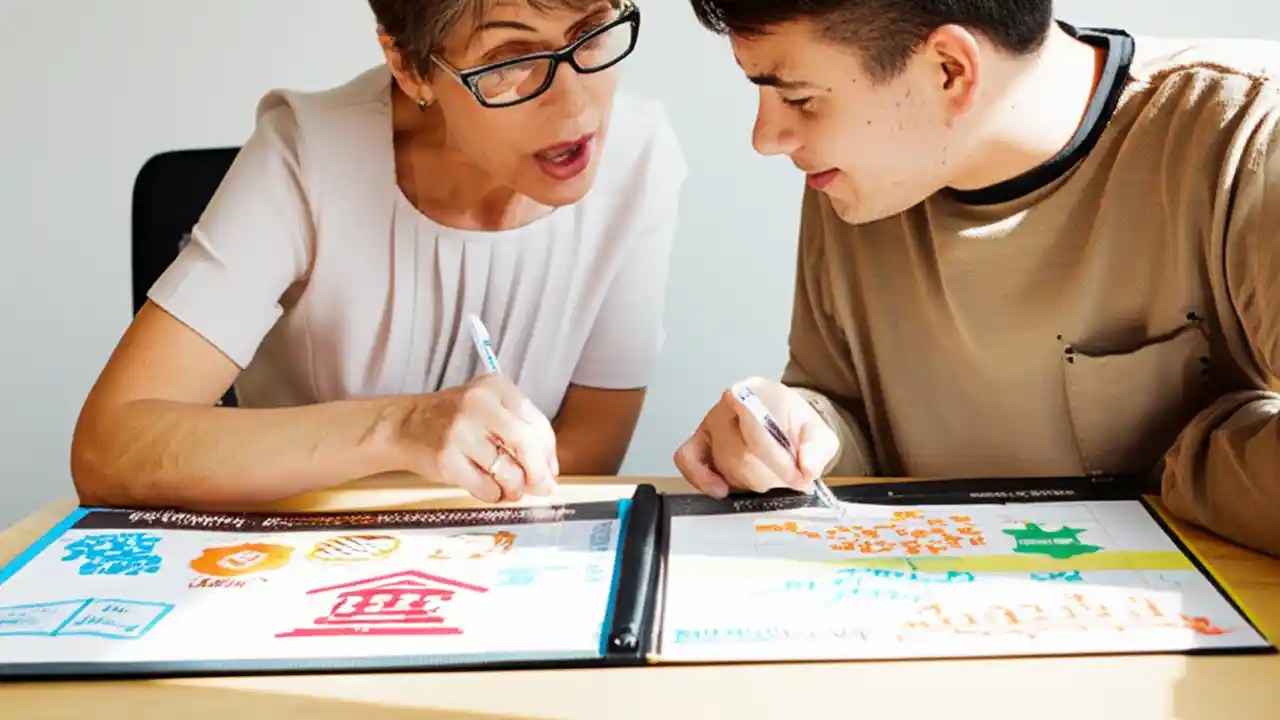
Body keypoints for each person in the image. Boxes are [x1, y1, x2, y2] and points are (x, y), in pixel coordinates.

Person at [673, 0, 1280, 557]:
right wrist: (792, 434)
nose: (766, 139)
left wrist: (1192, 464)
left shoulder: (1246, 138)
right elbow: (850, 416)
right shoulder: (858, 178)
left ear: (950, 71)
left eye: (801, 100)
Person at [71, 0, 686, 510]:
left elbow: (586, 461)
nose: (576, 106)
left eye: (591, 32)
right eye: (511, 60)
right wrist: (400, 427)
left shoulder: (638, 160)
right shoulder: (309, 155)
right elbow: (108, 449)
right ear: (409, 67)